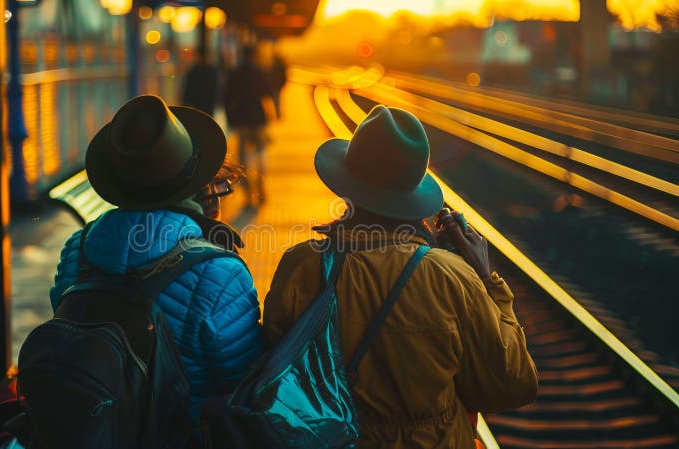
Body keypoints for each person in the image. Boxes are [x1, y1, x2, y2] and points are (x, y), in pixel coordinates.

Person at [263, 105, 538, 449]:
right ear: (412, 196)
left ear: (347, 189)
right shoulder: (450, 276)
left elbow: (274, 366)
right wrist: (487, 280)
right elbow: (512, 383)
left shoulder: (301, 266)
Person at [49, 95, 263, 439]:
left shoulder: (79, 249)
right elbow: (243, 385)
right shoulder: (220, 272)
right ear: (199, 187)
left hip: (90, 433)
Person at [223, 45, 273, 205]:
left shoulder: (235, 73)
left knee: (243, 157)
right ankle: (260, 185)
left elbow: (226, 97)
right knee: (260, 154)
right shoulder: (258, 72)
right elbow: (267, 93)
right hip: (258, 119)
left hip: (241, 119)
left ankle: (248, 192)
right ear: (253, 56)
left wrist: (231, 119)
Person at [181, 47, 220, 116]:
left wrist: (185, 103)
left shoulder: (193, 71)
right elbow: (216, 89)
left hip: (195, 107)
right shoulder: (212, 71)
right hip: (208, 106)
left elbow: (187, 90)